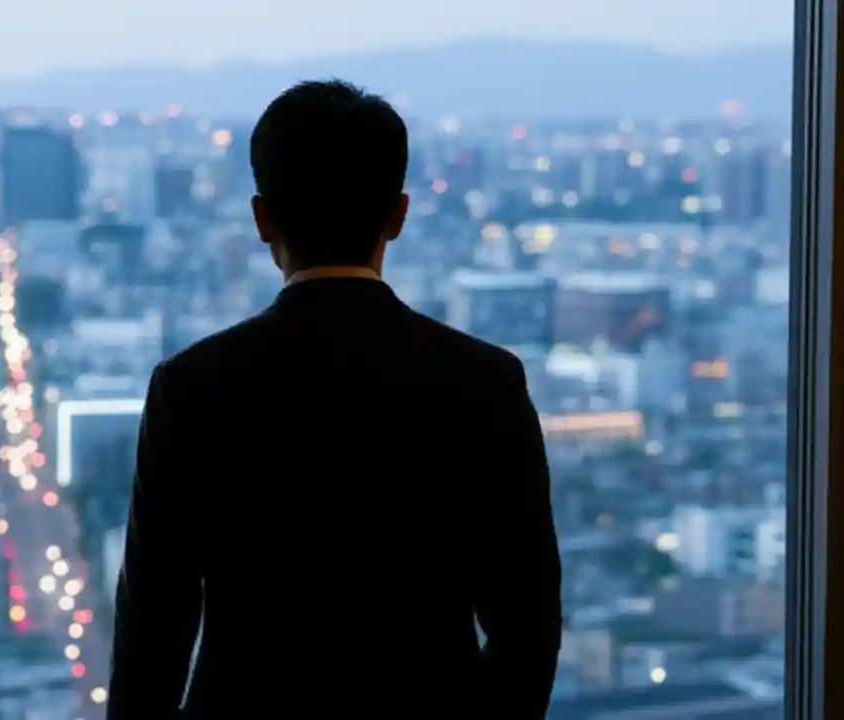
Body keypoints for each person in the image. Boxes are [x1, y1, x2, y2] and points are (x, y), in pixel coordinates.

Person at [107, 79, 562, 719]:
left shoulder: (194, 386)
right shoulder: (483, 382)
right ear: (398, 215)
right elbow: (529, 626)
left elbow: (153, 629)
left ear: (263, 218)